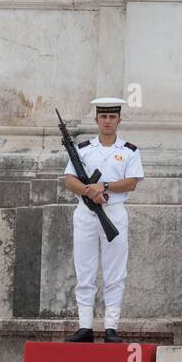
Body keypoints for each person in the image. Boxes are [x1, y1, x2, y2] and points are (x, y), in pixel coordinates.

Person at [61, 97, 143, 343]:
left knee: (115, 271)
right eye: (103, 117)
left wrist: (104, 185)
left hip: (114, 212)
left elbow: (133, 181)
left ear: (119, 119)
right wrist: (89, 191)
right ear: (97, 119)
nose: (108, 121)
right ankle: (85, 326)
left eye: (112, 117)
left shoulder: (129, 150)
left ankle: (111, 327)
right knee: (84, 269)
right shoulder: (84, 149)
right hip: (86, 213)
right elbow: (69, 178)